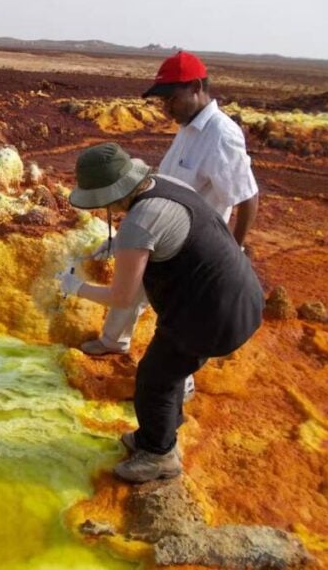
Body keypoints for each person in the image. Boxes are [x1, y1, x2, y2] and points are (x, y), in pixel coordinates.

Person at [59, 142, 263, 482]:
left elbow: (123, 297)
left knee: (156, 380)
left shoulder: (139, 223)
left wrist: (76, 287)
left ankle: (159, 456)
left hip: (214, 313)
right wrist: (120, 247)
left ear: (111, 194)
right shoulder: (167, 185)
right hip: (238, 294)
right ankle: (156, 434)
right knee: (167, 372)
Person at [82, 51, 260, 369]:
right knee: (135, 284)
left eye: (172, 98)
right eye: (163, 100)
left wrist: (235, 249)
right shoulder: (187, 126)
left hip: (189, 247)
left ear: (195, 88)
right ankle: (114, 341)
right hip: (162, 230)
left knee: (177, 317)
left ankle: (178, 386)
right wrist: (124, 240)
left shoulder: (221, 135)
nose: (166, 108)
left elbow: (247, 196)